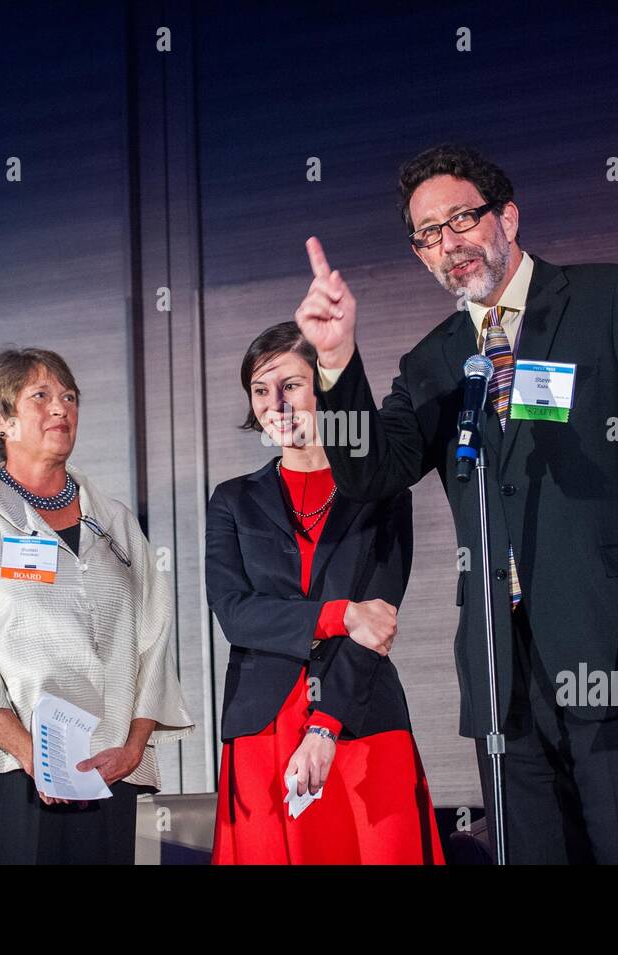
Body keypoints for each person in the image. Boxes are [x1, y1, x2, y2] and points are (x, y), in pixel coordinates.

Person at [297, 144, 618, 864]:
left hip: (615, 646)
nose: (448, 244)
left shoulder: (608, 299)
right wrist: (335, 363)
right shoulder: (434, 360)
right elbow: (372, 471)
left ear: (507, 217)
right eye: (428, 234)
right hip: (501, 675)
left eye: (460, 219)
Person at [0, 346, 194, 864]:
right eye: (40, 396)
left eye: (69, 397)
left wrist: (133, 748)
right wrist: (34, 754)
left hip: (105, 769)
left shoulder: (115, 521)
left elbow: (154, 641)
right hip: (2, 771)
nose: (61, 409)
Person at [205, 322, 446, 864]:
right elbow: (236, 615)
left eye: (290, 385)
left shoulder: (382, 493)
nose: (275, 404)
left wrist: (325, 726)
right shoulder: (232, 501)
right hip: (262, 726)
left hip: (356, 714)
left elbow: (378, 623)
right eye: (260, 390)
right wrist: (340, 614)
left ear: (324, 387)